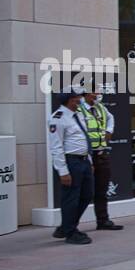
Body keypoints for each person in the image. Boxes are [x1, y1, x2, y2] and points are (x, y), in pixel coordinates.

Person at [47, 89, 93, 245]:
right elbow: (56, 147)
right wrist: (63, 171)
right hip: (71, 162)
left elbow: (83, 139)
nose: (80, 101)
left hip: (84, 161)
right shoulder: (58, 118)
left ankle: (66, 226)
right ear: (69, 100)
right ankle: (71, 232)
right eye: (76, 99)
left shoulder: (78, 115)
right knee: (71, 199)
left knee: (87, 195)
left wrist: (90, 161)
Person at [78, 86, 124, 231]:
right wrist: (88, 158)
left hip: (101, 154)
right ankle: (70, 225)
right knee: (83, 193)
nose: (97, 95)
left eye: (97, 92)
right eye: (93, 93)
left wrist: (109, 130)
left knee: (101, 190)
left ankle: (103, 220)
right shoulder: (79, 110)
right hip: (86, 156)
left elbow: (111, 118)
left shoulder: (100, 107)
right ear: (84, 95)